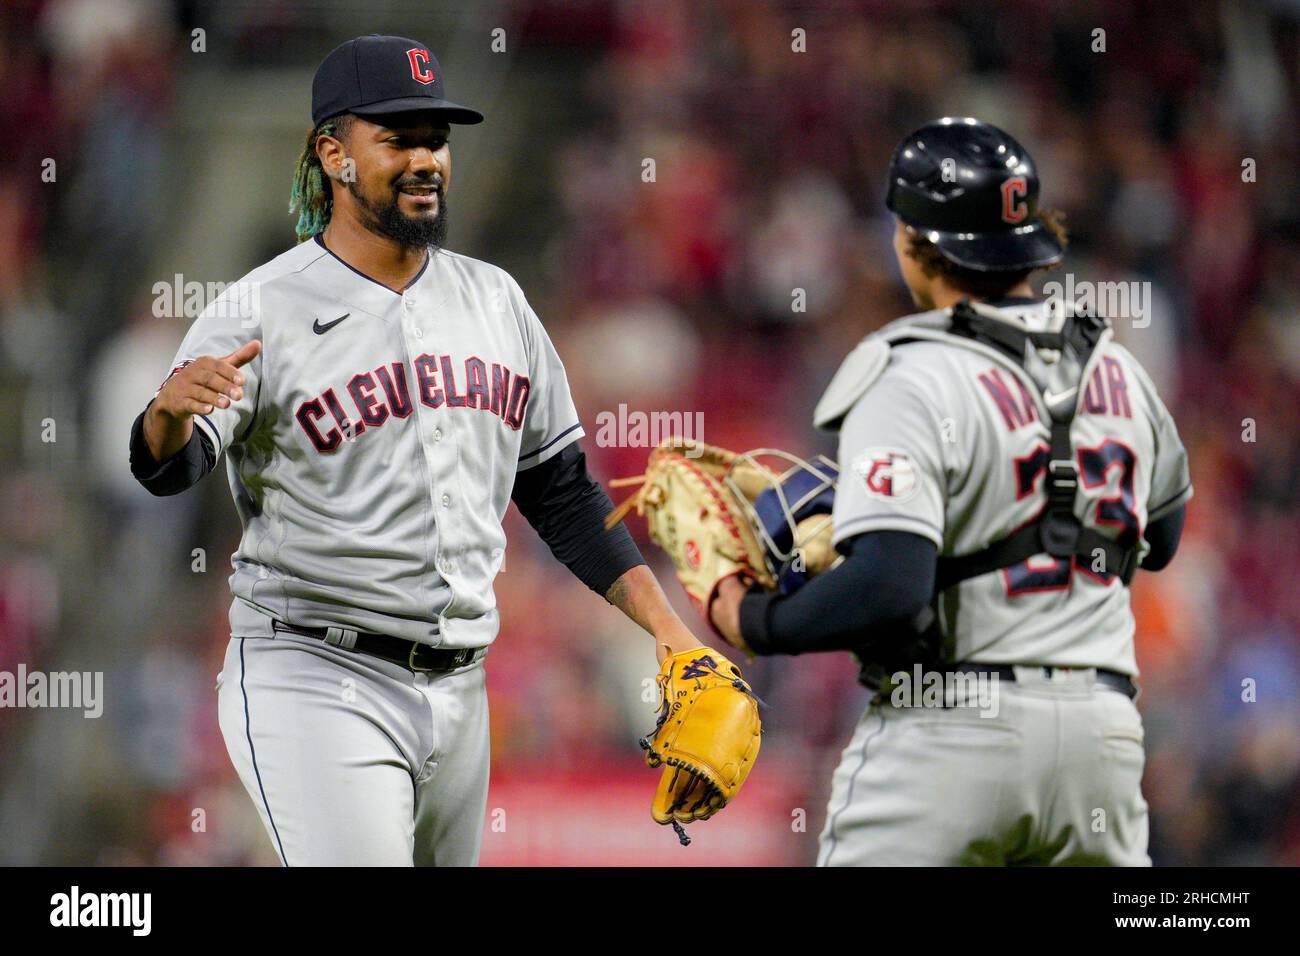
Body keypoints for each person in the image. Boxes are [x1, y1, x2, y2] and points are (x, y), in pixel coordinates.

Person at [129, 35, 720, 866]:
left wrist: (670, 633)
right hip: (315, 675)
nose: (425, 159)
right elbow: (169, 466)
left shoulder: (497, 302)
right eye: (398, 138)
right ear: (333, 152)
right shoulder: (260, 308)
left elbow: (561, 494)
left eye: (435, 138)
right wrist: (165, 417)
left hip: (461, 690)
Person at [708, 117, 1192, 866]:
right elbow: (1160, 537)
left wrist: (754, 620)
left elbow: (890, 586)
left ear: (911, 242)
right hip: (1101, 738)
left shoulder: (909, 371)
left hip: (953, 728)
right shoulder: (1118, 369)